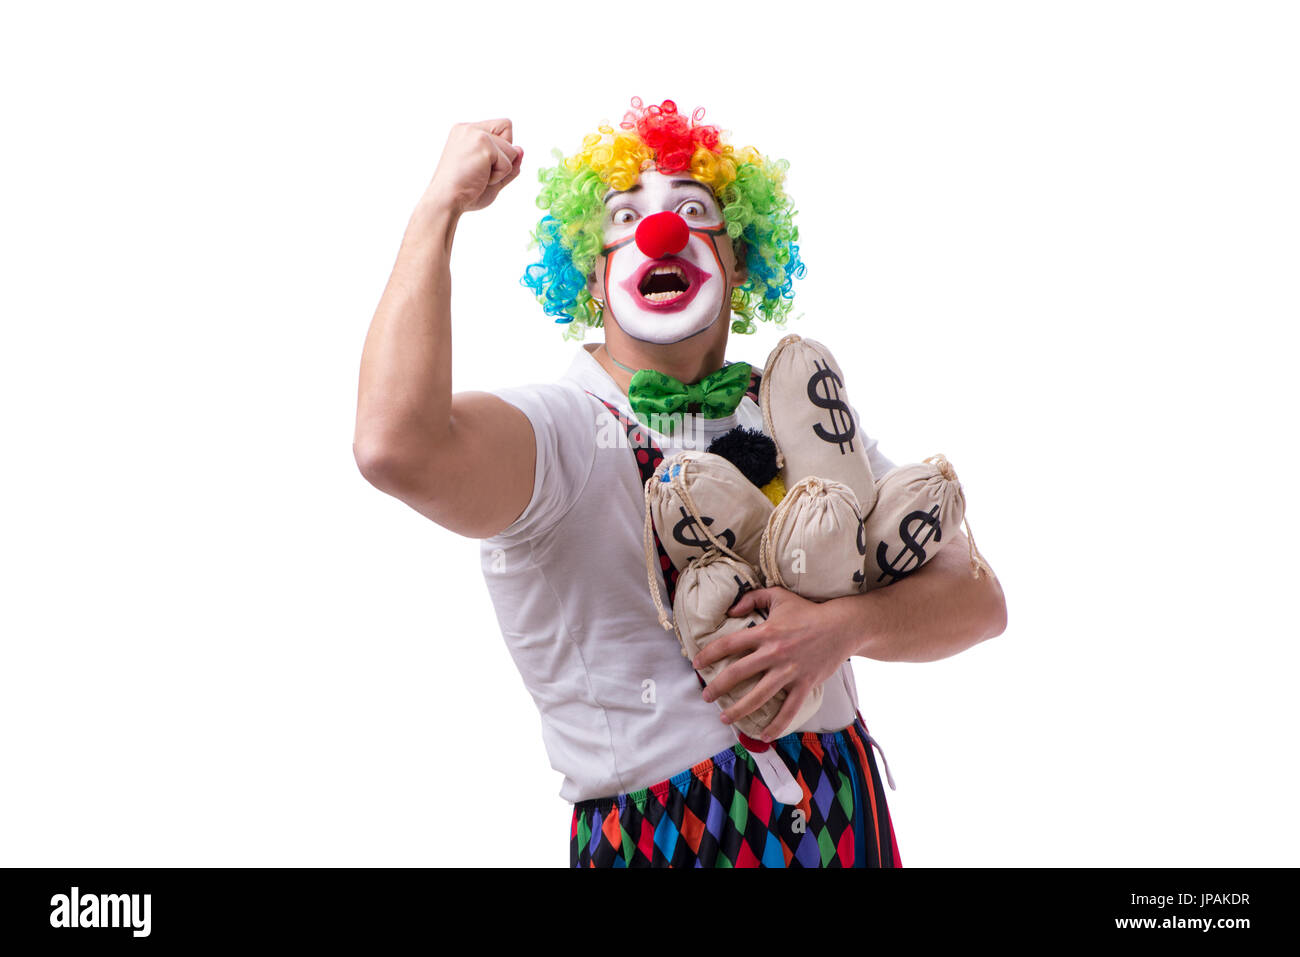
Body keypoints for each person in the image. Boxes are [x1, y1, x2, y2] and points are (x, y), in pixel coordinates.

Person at [354, 97, 1007, 867]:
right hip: (674, 837)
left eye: (693, 211)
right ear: (594, 279)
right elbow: (395, 445)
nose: (660, 232)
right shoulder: (565, 430)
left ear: (736, 260)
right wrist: (439, 210)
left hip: (843, 812)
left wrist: (841, 630)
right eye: (623, 220)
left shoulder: (790, 405)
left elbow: (977, 598)